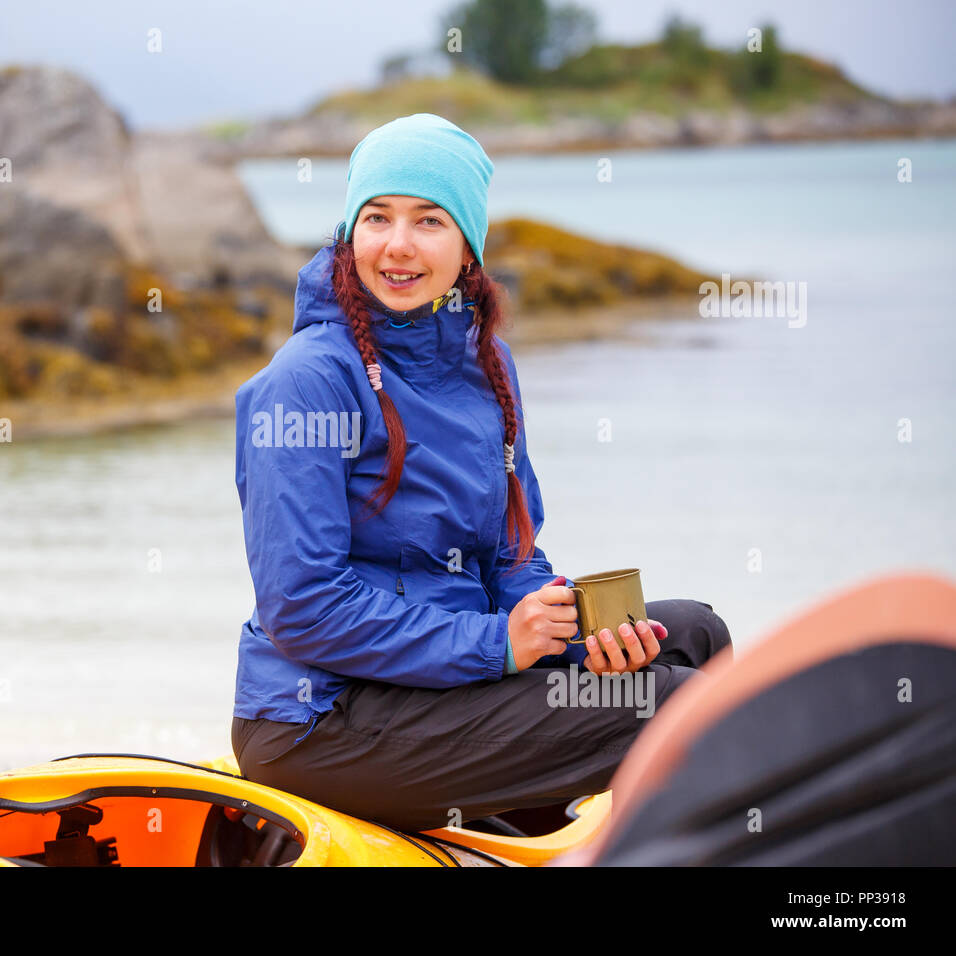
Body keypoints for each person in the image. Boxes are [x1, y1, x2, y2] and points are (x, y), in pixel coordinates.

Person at [230, 113, 732, 833]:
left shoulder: (485, 367)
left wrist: (570, 627)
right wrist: (498, 645)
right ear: (349, 232)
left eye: (429, 220)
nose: (397, 246)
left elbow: (509, 555)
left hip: (440, 683)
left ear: (468, 244)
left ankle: (549, 818)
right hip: (321, 718)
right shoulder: (306, 384)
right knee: (672, 701)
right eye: (377, 217)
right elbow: (303, 608)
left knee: (692, 637)